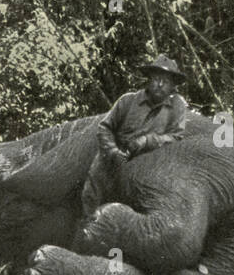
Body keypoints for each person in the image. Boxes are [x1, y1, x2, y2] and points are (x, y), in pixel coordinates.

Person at [81, 55, 189, 217]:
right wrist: (113, 151)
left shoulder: (176, 107)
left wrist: (147, 140)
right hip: (112, 160)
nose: (160, 85)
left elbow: (176, 137)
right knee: (93, 199)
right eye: (156, 79)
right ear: (148, 79)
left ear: (172, 86)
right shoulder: (128, 101)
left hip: (146, 165)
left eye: (165, 81)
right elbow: (104, 127)